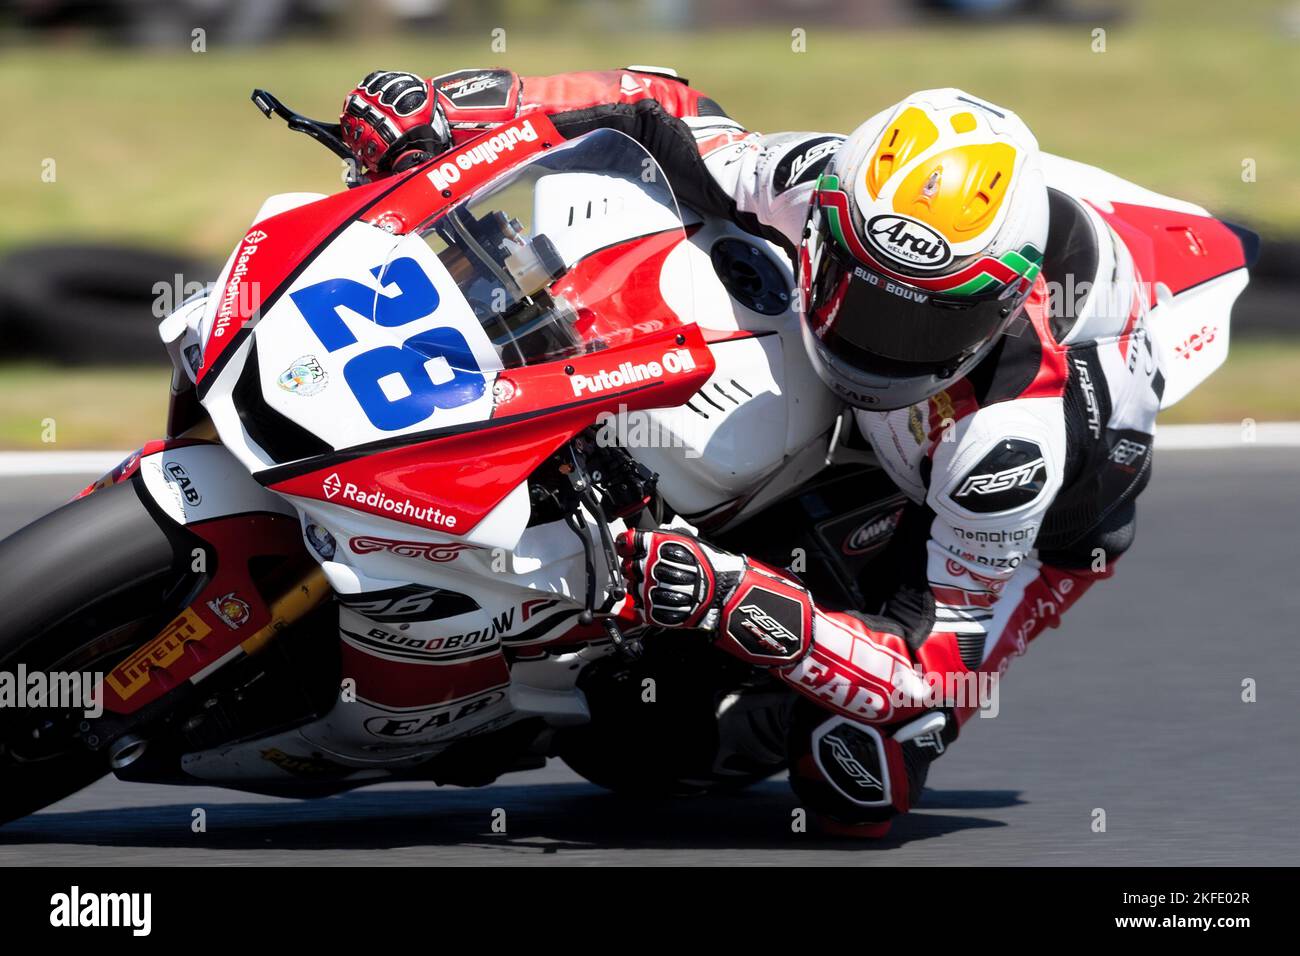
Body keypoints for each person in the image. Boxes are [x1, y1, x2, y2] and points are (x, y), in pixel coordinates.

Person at [339, 69, 1165, 836]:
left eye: (921, 323)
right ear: (832, 220)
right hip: (887, 404)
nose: (874, 340)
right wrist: (457, 111)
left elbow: (933, 669)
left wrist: (734, 597)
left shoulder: (1008, 449)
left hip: (1041, 523)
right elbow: (655, 108)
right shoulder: (822, 183)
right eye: (856, 287)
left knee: (850, 779)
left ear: (1001, 309)